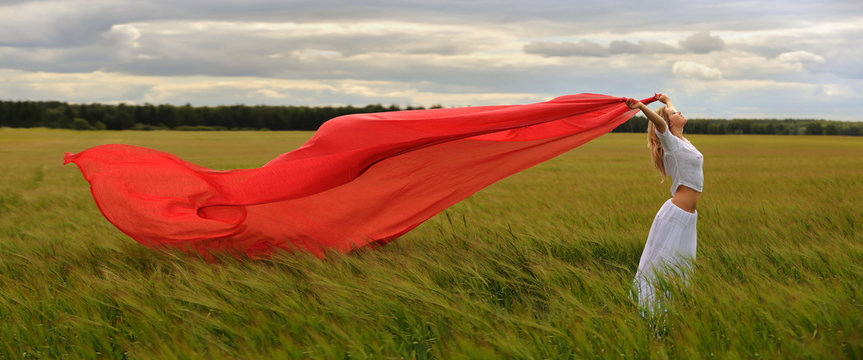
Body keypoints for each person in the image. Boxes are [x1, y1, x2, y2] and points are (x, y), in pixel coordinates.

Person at [624, 94, 703, 313]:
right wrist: (641, 106)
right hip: (675, 216)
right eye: (674, 113)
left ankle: (673, 311)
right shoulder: (671, 142)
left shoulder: (682, 141)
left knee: (681, 266)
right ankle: (649, 311)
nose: (679, 111)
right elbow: (660, 123)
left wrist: (667, 102)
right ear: (668, 123)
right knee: (662, 265)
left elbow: (667, 117)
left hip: (688, 218)